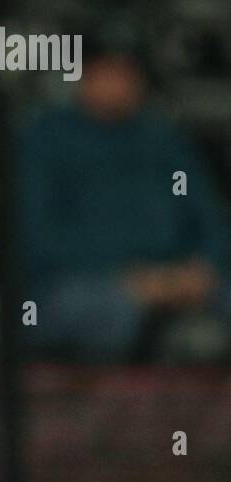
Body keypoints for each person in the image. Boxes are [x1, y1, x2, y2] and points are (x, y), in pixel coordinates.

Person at [18, 43, 231, 363]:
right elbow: (40, 237)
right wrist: (130, 277)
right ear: (82, 76)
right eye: (107, 71)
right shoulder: (45, 139)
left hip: (172, 276)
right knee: (111, 312)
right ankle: (95, 410)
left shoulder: (165, 139)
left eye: (126, 71)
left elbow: (208, 218)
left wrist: (200, 268)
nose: (118, 82)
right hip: (74, 284)